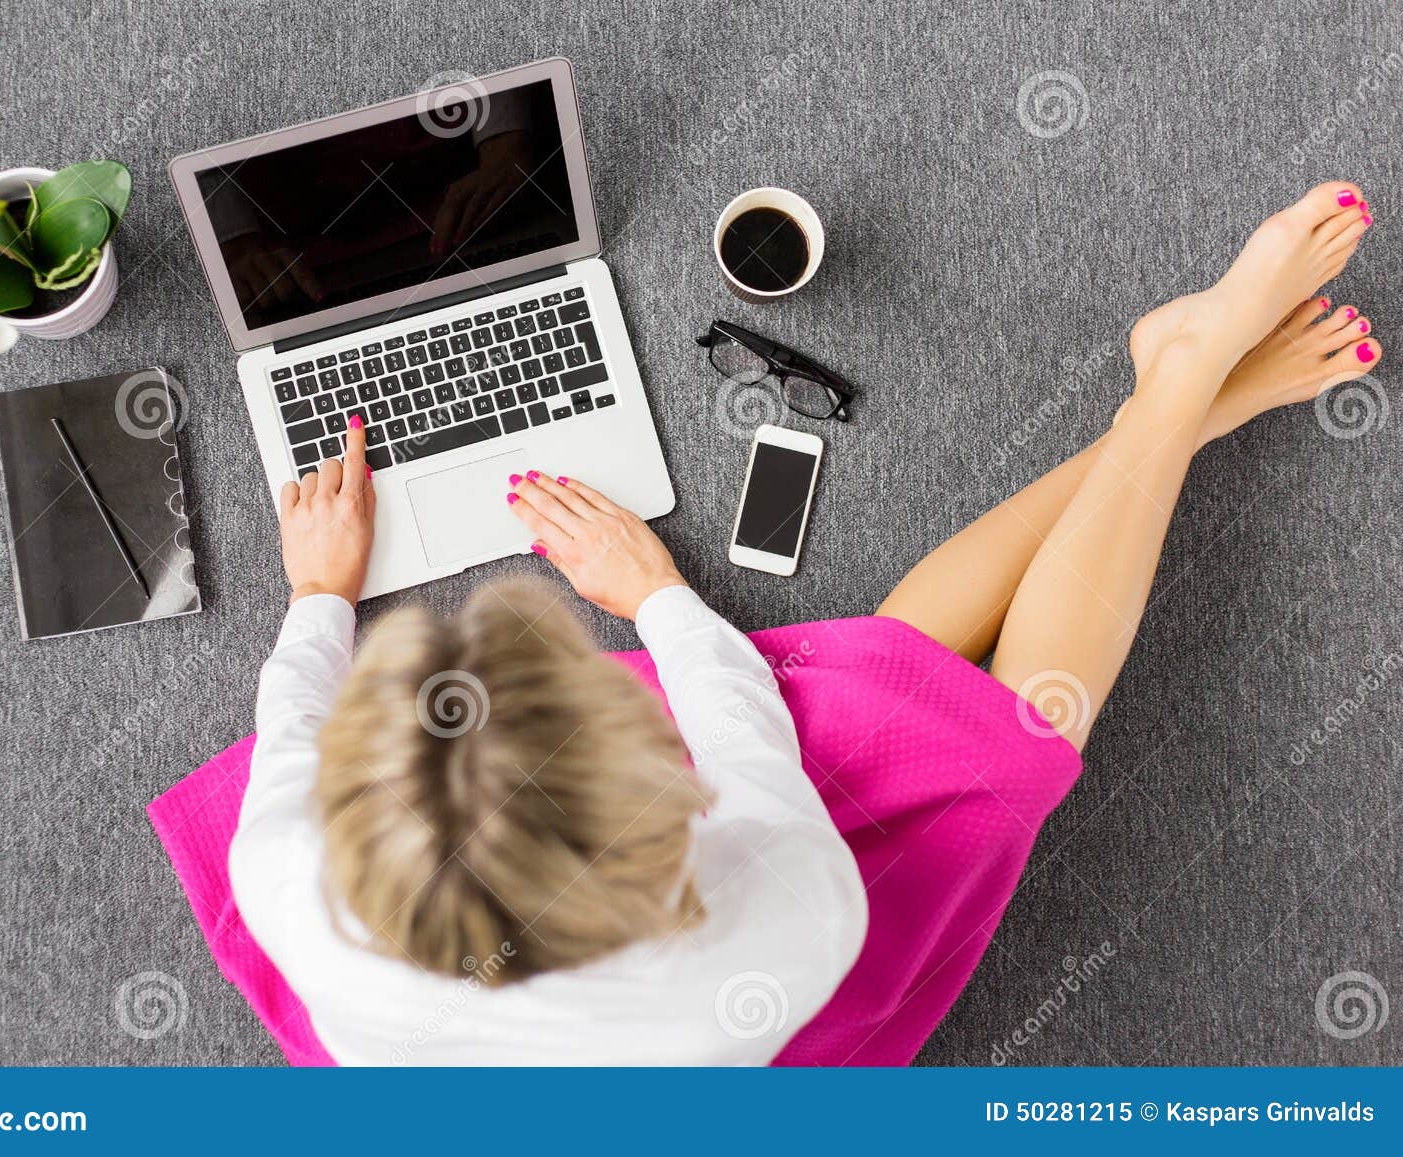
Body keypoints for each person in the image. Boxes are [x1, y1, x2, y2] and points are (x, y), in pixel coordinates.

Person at [230, 182, 1378, 1064]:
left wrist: (317, 590)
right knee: (1010, 746)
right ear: (658, 801)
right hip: (741, 1013)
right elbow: (749, 737)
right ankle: (1174, 393)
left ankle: (1172, 404)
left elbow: (289, 732)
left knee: (891, 679)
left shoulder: (285, 869)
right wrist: (657, 597)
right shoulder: (786, 932)